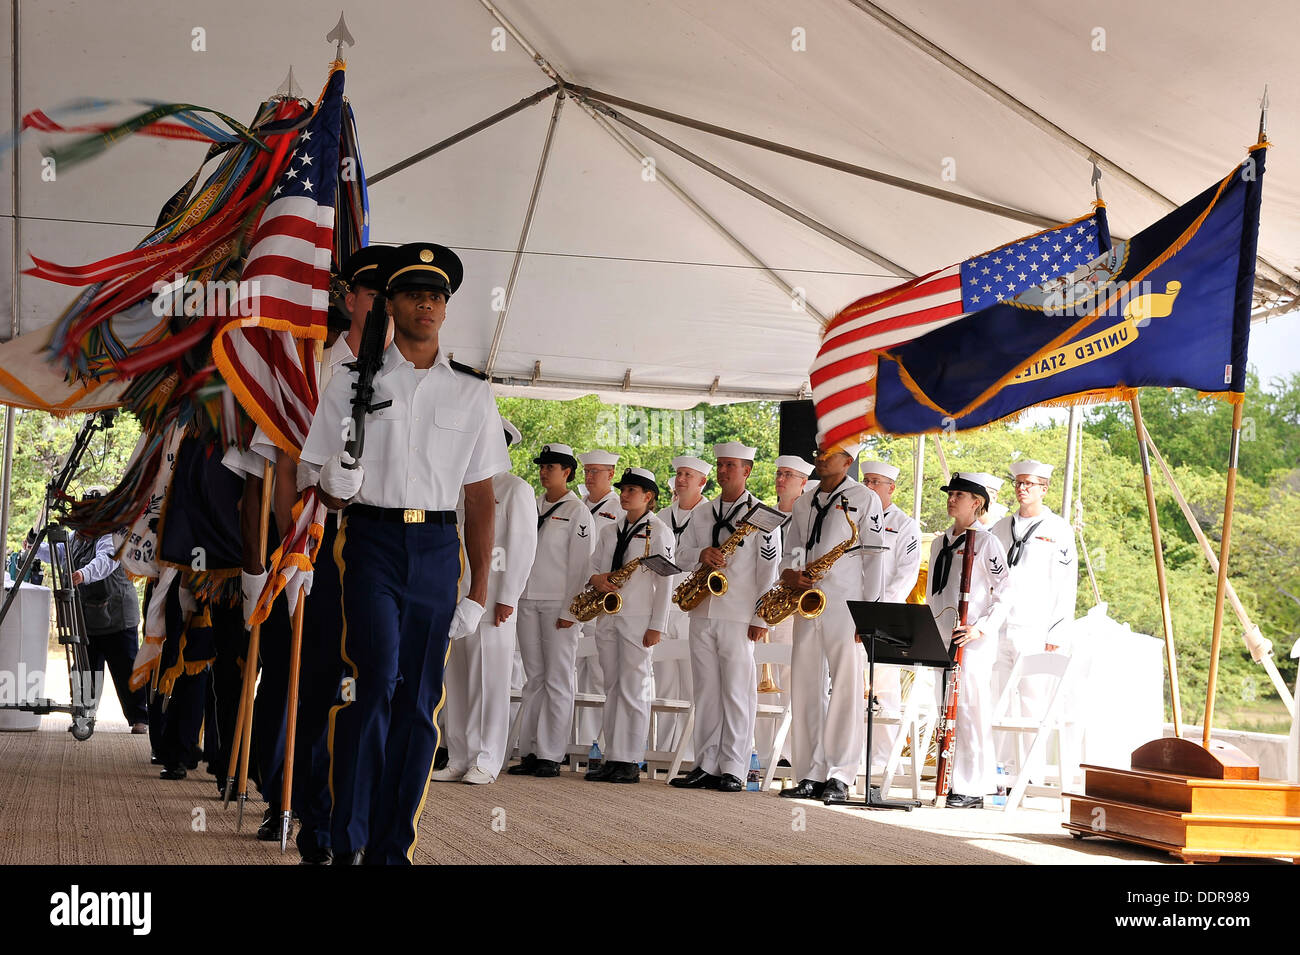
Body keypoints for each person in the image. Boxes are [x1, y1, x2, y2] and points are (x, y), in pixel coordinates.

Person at [301, 241, 508, 865]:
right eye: (415, 293)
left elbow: (480, 500)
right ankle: (350, 840)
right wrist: (334, 488)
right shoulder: (354, 382)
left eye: (438, 296)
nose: (428, 303)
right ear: (391, 304)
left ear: (446, 309)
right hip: (373, 543)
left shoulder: (472, 395)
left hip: (438, 547)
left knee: (420, 703)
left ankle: (392, 847)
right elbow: (325, 486)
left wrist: (476, 593)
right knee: (376, 684)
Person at [777, 443, 885, 804]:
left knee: (846, 689)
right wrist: (789, 574)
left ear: (848, 461)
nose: (821, 457)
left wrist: (867, 613)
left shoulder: (864, 497)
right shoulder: (805, 501)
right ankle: (809, 772)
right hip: (807, 602)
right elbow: (792, 548)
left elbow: (874, 559)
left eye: (830, 452)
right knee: (804, 685)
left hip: (845, 605)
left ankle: (839, 773)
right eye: (819, 451)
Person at [671, 441, 780, 793]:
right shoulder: (703, 512)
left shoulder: (763, 515)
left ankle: (733, 766)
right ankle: (706, 764)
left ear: (747, 471)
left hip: (738, 613)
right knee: (705, 690)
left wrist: (760, 619)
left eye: (730, 465)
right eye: (720, 465)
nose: (723, 471)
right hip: (702, 609)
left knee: (736, 691)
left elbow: (769, 569)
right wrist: (700, 553)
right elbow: (681, 552)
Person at [435, 420, 538, 785]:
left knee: (490, 678)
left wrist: (508, 596)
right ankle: (459, 755)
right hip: (457, 595)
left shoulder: (516, 489)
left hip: (494, 598)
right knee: (458, 677)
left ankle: (488, 757)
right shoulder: (458, 487)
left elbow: (522, 548)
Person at [28, 487, 147, 733]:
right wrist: (33, 539)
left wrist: (83, 573)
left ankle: (139, 718)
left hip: (117, 617)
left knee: (126, 669)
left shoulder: (112, 534)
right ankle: (83, 716)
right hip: (86, 618)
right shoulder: (76, 537)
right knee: (84, 670)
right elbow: (58, 553)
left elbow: (106, 560)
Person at [583, 467, 674, 783]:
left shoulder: (658, 532)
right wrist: (597, 579)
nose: (623, 494)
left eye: (631, 490)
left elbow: (665, 583)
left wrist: (657, 625)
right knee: (613, 687)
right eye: (622, 489)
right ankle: (613, 757)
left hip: (638, 620)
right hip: (608, 616)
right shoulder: (610, 530)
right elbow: (593, 566)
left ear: (648, 497)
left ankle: (630, 760)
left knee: (634, 688)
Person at [508, 443, 594, 778]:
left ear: (567, 472)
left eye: (551, 466)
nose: (544, 471)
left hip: (559, 603)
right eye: (542, 466)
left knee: (558, 678)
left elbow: (580, 567)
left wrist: (571, 610)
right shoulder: (532, 505)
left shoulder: (577, 512)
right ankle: (530, 749)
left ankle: (550, 753)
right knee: (535, 678)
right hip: (528, 598)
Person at [928, 472, 1012, 808]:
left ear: (976, 503)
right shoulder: (939, 542)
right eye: (951, 493)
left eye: (959, 494)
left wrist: (982, 628)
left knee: (970, 710)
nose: (951, 499)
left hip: (972, 639)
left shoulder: (987, 542)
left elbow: (1005, 591)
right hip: (942, 634)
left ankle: (973, 786)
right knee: (946, 709)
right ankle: (947, 778)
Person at [992, 459, 1077, 774]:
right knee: (996, 698)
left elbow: (1066, 585)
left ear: (1044, 488)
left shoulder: (1058, 529)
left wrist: (1056, 633)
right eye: (1019, 483)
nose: (1022, 488)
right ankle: (996, 770)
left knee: (1032, 701)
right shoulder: (1001, 527)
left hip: (1037, 628)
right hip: (1000, 627)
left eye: (1029, 483)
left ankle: (1027, 771)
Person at [859, 461, 923, 770]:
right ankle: (855, 756)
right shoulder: (853, 518)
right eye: (866, 480)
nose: (869, 486)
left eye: (875, 482)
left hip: (885, 614)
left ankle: (885, 761)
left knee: (884, 690)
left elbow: (906, 573)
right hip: (851, 612)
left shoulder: (905, 524)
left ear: (891, 488)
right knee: (853, 686)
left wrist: (879, 607)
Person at [755, 454, 815, 767]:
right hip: (766, 606)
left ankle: (790, 752)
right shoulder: (764, 516)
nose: (780, 480)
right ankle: (764, 751)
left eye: (788, 475)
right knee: (763, 680)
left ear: (803, 483)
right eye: (779, 474)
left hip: (794, 609)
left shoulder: (807, 520)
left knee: (792, 678)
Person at [652, 455, 710, 757]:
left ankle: (689, 753)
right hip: (664, 605)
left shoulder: (709, 514)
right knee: (664, 684)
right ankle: (663, 750)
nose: (681, 479)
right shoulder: (662, 515)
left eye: (688, 474)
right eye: (678, 474)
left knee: (692, 683)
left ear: (702, 481)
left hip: (693, 606)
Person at [576, 450, 621, 755]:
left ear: (611, 475)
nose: (589, 477)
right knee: (575, 673)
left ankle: (597, 743)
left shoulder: (619, 510)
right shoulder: (576, 506)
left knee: (600, 674)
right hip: (574, 597)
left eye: (596, 471)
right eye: (587, 471)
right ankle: (577, 741)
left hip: (601, 599)